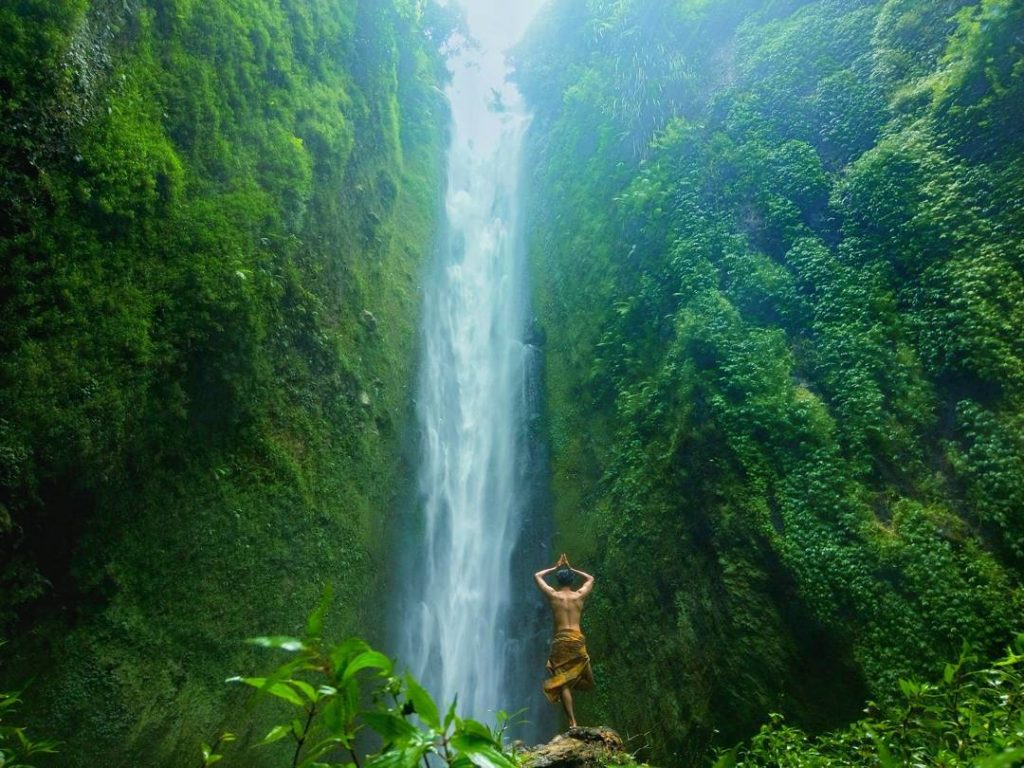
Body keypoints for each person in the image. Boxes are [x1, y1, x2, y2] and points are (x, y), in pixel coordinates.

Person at [533, 553, 595, 728]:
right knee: (588, 683)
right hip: (576, 640)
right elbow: (590, 579)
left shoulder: (554, 595)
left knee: (565, 683)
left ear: (558, 581)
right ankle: (572, 722)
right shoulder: (579, 596)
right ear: (572, 581)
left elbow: (537, 576)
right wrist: (571, 568)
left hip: (560, 641)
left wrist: (555, 567)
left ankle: (572, 720)